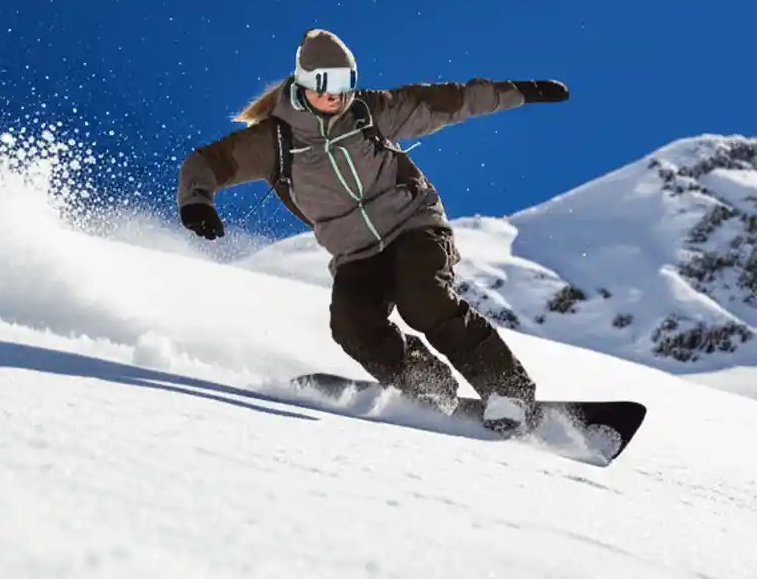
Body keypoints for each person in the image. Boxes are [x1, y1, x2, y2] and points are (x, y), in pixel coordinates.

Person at [177, 28, 569, 433]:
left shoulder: (369, 111)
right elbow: (206, 163)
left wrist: (522, 91)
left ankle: (507, 390)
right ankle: (427, 385)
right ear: (304, 82)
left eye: (346, 81)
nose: (337, 93)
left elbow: (451, 101)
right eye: (326, 82)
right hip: (356, 252)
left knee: (423, 299)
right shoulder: (274, 140)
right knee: (352, 324)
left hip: (413, 224)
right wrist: (196, 201)